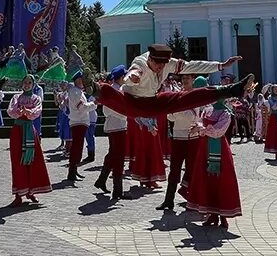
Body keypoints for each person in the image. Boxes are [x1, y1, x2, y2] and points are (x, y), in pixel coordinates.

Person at [93, 44, 248, 121]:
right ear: (150, 59)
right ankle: (94, 88)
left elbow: (191, 65)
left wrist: (221, 65)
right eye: (157, 64)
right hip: (132, 102)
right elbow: (132, 73)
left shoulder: (167, 63)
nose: (161, 68)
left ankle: (232, 89)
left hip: (153, 101)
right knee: (111, 94)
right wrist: (132, 79)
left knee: (184, 97)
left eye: (163, 65)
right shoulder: (140, 63)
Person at [182, 80, 243, 230]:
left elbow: (218, 131)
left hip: (218, 149)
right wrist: (198, 127)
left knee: (220, 179)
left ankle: (223, 215)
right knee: (207, 179)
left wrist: (201, 129)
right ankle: (211, 214)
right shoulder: (207, 110)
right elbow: (201, 122)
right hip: (205, 147)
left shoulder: (226, 113)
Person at [6, 75, 52, 206]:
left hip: (30, 132)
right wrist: (19, 112)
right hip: (18, 130)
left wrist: (28, 111)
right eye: (25, 82)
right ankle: (18, 194)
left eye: (29, 82)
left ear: (33, 84)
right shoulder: (16, 97)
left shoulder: (36, 98)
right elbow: (11, 110)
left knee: (33, 160)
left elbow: (38, 110)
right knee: (17, 162)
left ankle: (31, 191)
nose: (27, 84)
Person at [158, 72, 198, 211]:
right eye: (183, 78)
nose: (185, 80)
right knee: (174, 169)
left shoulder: (197, 95)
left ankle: (192, 200)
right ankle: (169, 200)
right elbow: (170, 117)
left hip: (193, 138)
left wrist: (178, 112)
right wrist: (179, 112)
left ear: (193, 79)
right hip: (178, 137)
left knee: (192, 169)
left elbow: (193, 116)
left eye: (188, 78)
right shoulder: (178, 95)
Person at [94, 67, 130, 201]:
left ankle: (102, 180)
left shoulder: (115, 89)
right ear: (121, 77)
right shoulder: (115, 90)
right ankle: (117, 190)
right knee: (119, 157)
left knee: (113, 154)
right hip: (117, 126)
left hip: (115, 125)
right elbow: (110, 109)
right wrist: (125, 114)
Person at [65, 71, 96, 184]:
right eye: (83, 79)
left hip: (80, 122)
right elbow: (82, 108)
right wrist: (94, 104)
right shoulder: (76, 92)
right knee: (76, 147)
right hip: (78, 122)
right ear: (78, 80)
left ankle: (74, 170)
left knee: (78, 146)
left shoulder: (77, 91)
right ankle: (72, 172)